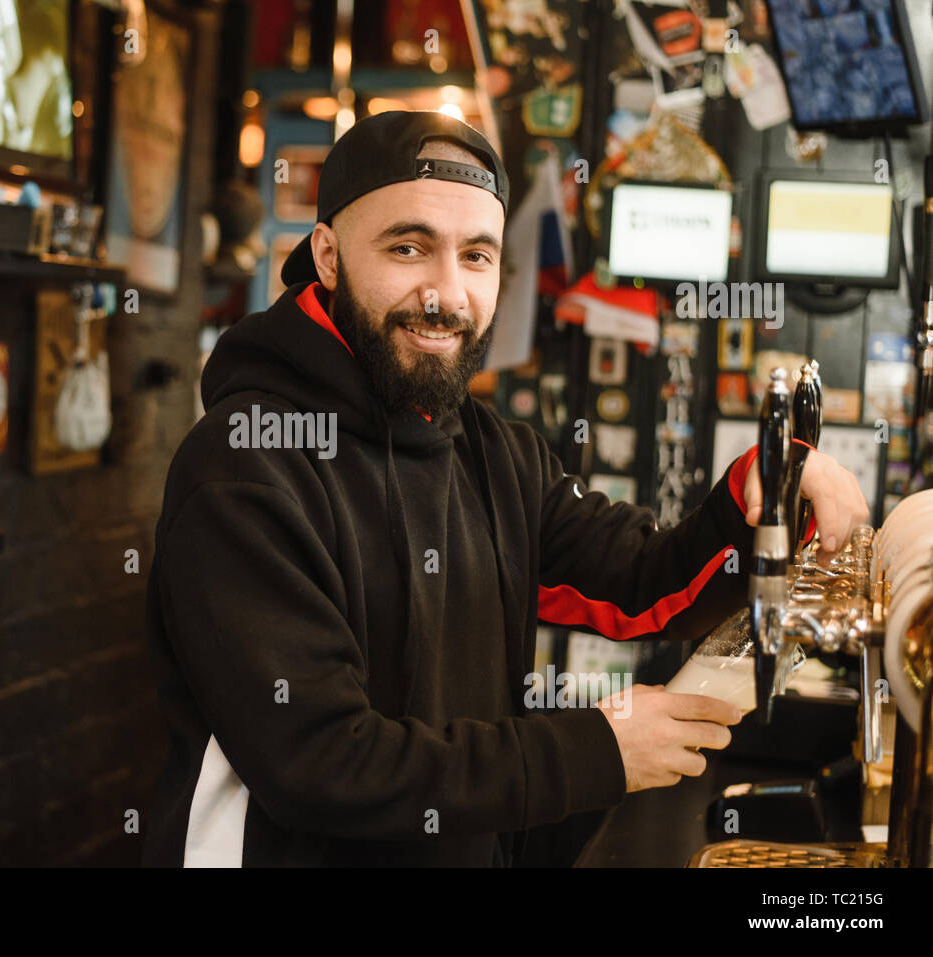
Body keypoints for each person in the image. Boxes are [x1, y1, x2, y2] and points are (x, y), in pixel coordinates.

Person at [142, 110, 872, 867]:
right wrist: (595, 750)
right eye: (408, 246)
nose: (446, 294)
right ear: (327, 255)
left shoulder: (493, 452)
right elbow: (321, 762)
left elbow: (645, 584)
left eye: (477, 256)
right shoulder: (244, 466)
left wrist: (763, 495)